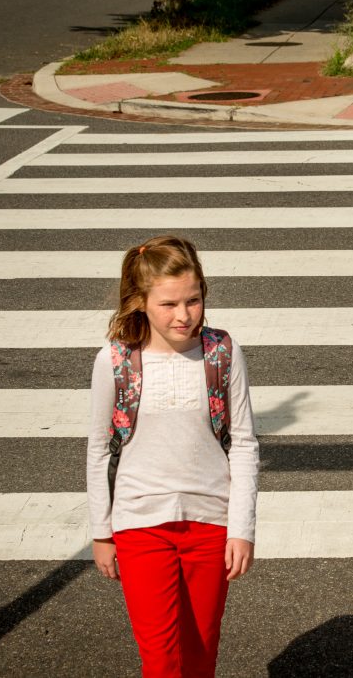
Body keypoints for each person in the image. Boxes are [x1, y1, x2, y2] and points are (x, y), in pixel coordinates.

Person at [86, 235, 260, 678]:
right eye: (169, 304)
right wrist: (102, 531)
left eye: (194, 300)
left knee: (201, 654)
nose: (184, 315)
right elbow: (98, 447)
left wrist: (241, 529)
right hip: (139, 523)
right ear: (140, 301)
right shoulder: (115, 360)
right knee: (162, 660)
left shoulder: (222, 352)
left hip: (210, 523)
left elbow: (243, 443)